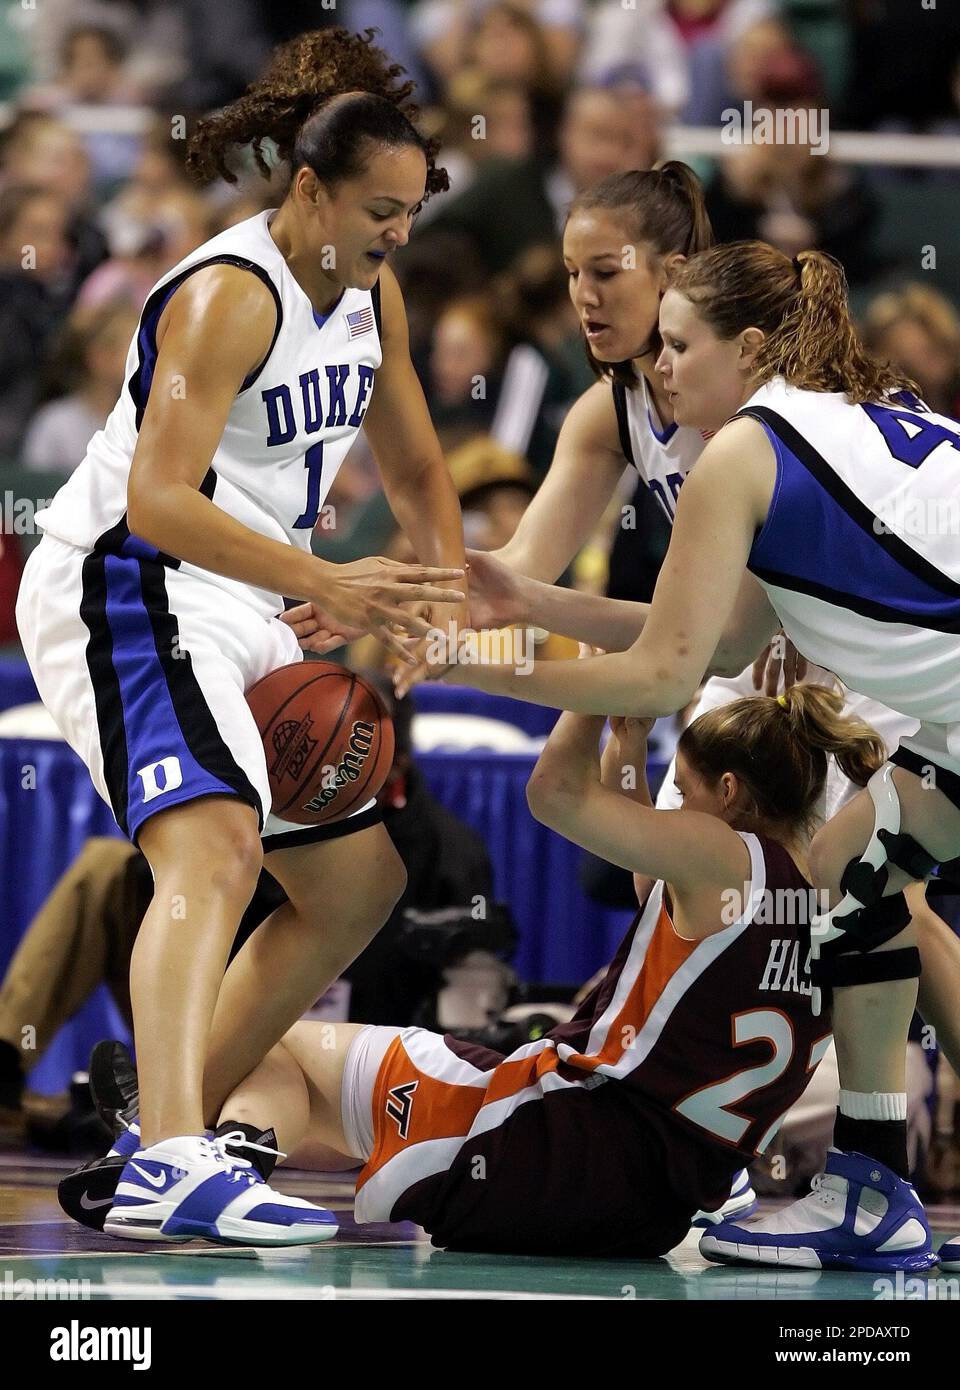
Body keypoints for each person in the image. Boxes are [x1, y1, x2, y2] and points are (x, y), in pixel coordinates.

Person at [401, 239, 960, 1271]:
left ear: (747, 349)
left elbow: (664, 678)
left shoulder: (745, 449)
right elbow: (730, 640)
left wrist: (473, 665)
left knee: (851, 897)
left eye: (677, 345)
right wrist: (528, 601)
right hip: (950, 723)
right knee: (854, 893)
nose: (658, 369)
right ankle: (873, 1187)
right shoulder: (849, 416)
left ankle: (874, 1186)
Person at [16, 27, 468, 1247]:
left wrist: (431, 592)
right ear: (309, 189)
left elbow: (417, 454)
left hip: (235, 593)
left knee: (359, 878)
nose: (398, 234)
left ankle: (163, 1127)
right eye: (380, 208)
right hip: (127, 578)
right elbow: (160, 501)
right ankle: (173, 1153)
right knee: (211, 852)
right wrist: (327, 575)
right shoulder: (226, 296)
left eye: (414, 212)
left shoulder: (374, 289)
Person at [75, 684, 905, 1261]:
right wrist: (625, 742)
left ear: (727, 793)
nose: (664, 805)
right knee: (322, 1088)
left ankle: (185, 1145)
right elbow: (651, 885)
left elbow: (552, 796)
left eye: (679, 789)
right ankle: (212, 1149)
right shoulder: (834, 899)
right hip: (652, 1207)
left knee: (275, 1041)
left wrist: (600, 685)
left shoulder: (722, 856)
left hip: (544, 1141)